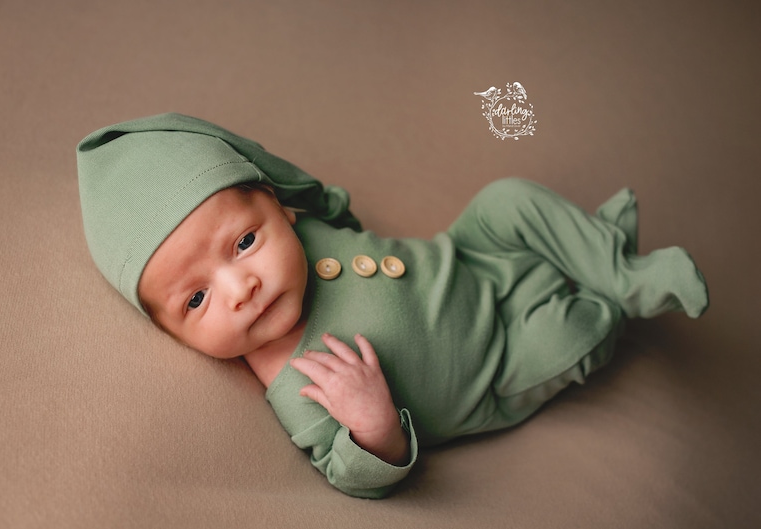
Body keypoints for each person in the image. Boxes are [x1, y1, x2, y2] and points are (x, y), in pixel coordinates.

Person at [77, 113, 709, 499]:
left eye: (244, 242)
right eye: (196, 298)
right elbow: (349, 473)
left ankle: (624, 271)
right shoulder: (297, 386)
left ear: (277, 207)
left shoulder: (307, 235)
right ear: (166, 330)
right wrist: (372, 427)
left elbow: (329, 204)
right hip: (496, 362)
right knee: (575, 335)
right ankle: (609, 295)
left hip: (466, 256)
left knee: (507, 198)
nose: (240, 286)